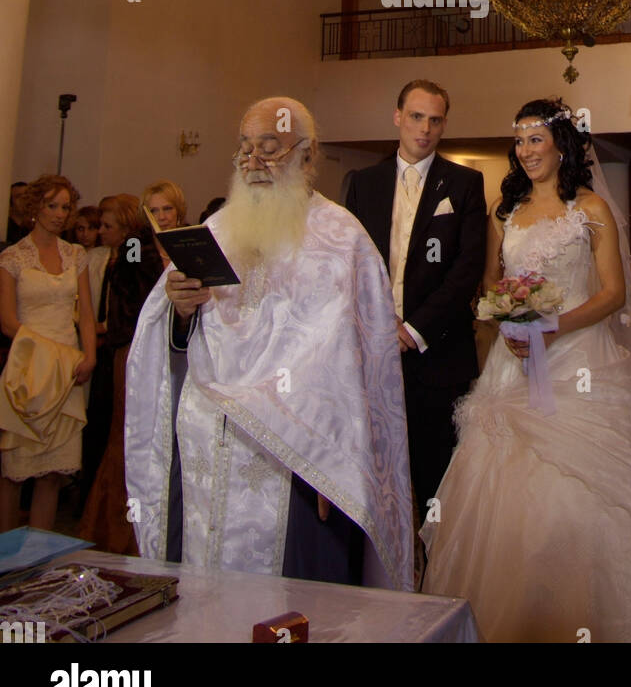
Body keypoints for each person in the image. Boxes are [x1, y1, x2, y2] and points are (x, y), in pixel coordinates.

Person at [421, 98, 631, 642]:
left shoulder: (591, 208)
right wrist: (507, 317)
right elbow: (489, 285)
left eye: (536, 139)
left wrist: (553, 327)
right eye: (520, 141)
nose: (526, 151)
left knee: (594, 497)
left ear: (561, 144)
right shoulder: (505, 214)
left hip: (582, 359)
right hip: (513, 366)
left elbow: (614, 294)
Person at [126, 97, 413, 588]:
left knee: (291, 604)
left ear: (308, 152)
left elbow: (356, 363)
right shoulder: (216, 229)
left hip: (294, 452)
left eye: (269, 148)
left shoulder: (343, 239)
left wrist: (340, 460)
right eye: (245, 148)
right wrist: (180, 309)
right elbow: (167, 340)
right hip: (210, 443)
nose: (253, 162)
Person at [345, 79, 487, 521]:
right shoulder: (362, 183)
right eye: (416, 116)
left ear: (444, 124)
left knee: (436, 487)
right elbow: (350, 265)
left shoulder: (464, 183)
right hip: (371, 357)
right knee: (375, 480)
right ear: (397, 117)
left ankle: (435, 580)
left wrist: (413, 330)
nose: (424, 129)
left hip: (438, 356)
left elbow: (467, 269)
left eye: (435, 119)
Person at [0, 175, 96, 532]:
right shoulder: (13, 257)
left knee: (54, 472)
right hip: (28, 366)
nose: (59, 213)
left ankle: (41, 560)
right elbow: (8, 322)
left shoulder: (76, 254)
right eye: (51, 205)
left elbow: (87, 314)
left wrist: (89, 356)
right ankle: (8, 563)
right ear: (35, 207)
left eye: (65, 206)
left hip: (69, 368)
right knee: (14, 473)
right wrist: (48, 354)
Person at [78, 194, 163, 550]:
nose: (100, 232)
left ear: (126, 226)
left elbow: (140, 297)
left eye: (107, 226)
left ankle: (117, 529)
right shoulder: (134, 248)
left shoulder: (132, 248)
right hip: (126, 345)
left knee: (123, 435)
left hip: (131, 349)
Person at [142, 180, 187, 271]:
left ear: (178, 211)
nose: (161, 217)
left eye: (167, 209)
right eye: (154, 211)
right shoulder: (134, 246)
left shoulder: (193, 243)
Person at [5, 183, 29, 247]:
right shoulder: (4, 226)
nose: (24, 199)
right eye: (18, 196)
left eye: (27, 196)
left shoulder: (35, 226)